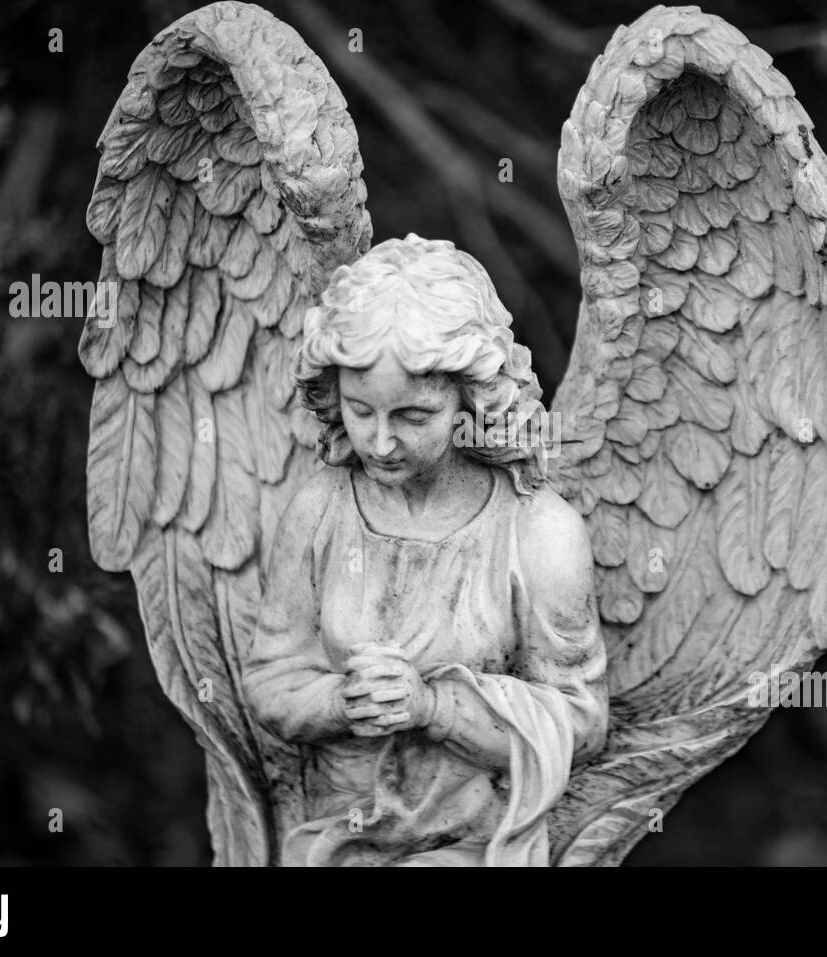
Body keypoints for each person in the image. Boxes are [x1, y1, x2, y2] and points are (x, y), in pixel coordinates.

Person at [242, 234, 608, 866]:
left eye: (413, 417)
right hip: (331, 845)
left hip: (476, 848)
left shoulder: (535, 531)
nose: (380, 443)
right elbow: (271, 681)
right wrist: (341, 702)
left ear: (471, 399)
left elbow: (579, 721)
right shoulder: (320, 508)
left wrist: (432, 707)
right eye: (360, 410)